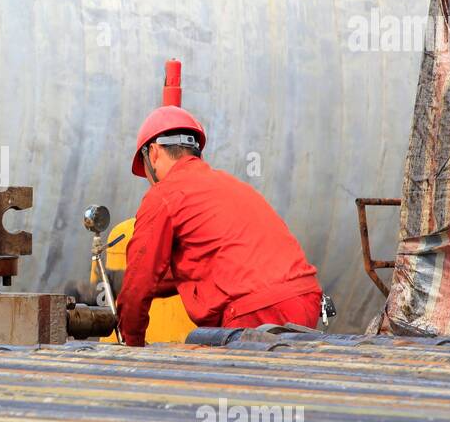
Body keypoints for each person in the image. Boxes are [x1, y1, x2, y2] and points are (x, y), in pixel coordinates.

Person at [116, 105, 322, 346]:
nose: (151, 182)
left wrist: (131, 345)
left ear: (152, 153)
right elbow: (214, 266)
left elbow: (139, 282)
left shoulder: (165, 193)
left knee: (234, 381)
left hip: (256, 312)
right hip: (304, 298)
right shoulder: (230, 185)